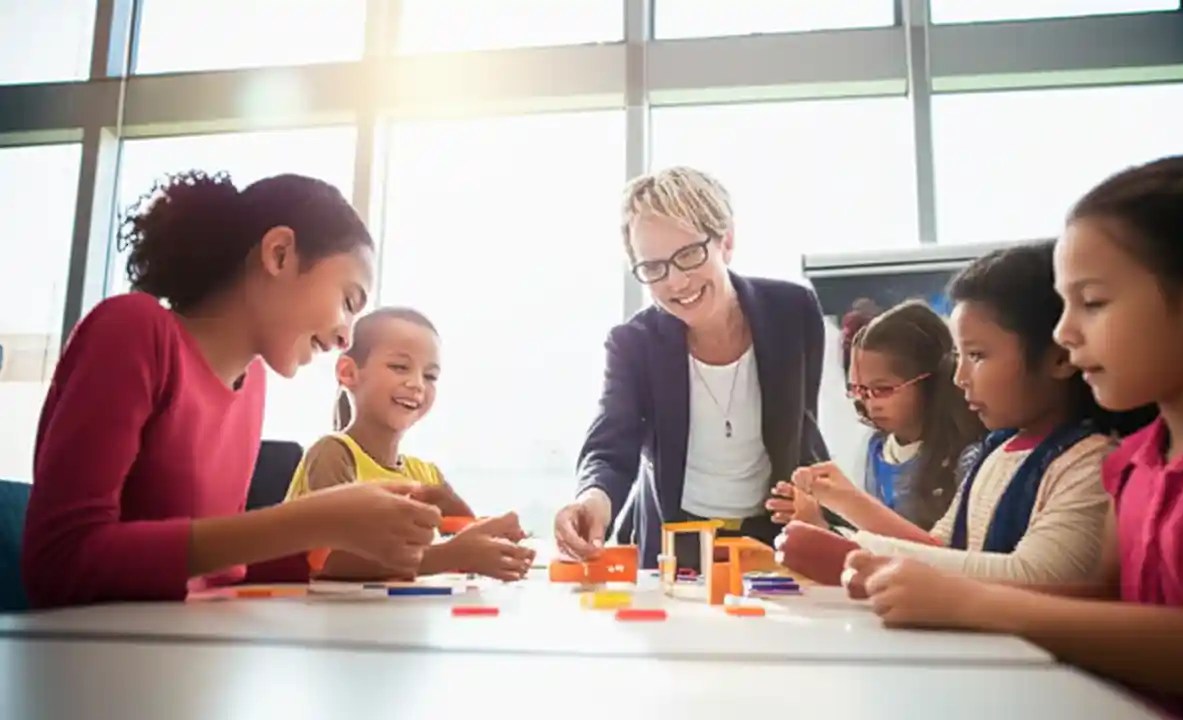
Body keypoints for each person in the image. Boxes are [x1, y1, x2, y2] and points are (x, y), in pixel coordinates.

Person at [847, 155, 1183, 719]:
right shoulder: (1134, 462)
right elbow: (1103, 600)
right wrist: (935, 594)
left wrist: (972, 601)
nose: (1064, 332)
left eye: (1093, 302)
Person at [22, 171, 442, 608]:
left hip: (183, 651)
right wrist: (310, 520)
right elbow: (59, 561)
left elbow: (225, 566)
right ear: (279, 254)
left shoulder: (253, 385)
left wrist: (343, 532)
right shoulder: (135, 330)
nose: (345, 337)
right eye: (348, 302)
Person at [785, 242, 1148, 587]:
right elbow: (941, 550)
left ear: (1059, 356)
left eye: (976, 356)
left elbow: (1035, 577)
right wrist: (842, 514)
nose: (960, 379)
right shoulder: (994, 453)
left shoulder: (1091, 462)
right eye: (959, 358)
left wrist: (858, 554)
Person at [553, 167, 829, 568]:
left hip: (773, 538)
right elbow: (611, 446)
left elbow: (802, 425)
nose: (677, 282)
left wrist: (814, 505)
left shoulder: (793, 312)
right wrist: (592, 497)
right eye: (654, 267)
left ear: (726, 241)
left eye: (688, 256)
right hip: (674, 541)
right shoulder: (633, 343)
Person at [286, 307, 534, 582]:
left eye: (430, 376)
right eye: (399, 367)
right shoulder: (333, 453)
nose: (417, 384)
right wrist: (451, 556)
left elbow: (468, 539)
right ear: (348, 372)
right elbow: (331, 562)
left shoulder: (426, 476)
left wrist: (495, 535)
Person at [778, 300, 984, 533]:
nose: (869, 403)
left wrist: (849, 502)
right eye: (859, 390)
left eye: (882, 390)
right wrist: (817, 523)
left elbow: (946, 556)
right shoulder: (874, 448)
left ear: (932, 382)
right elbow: (870, 545)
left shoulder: (967, 460)